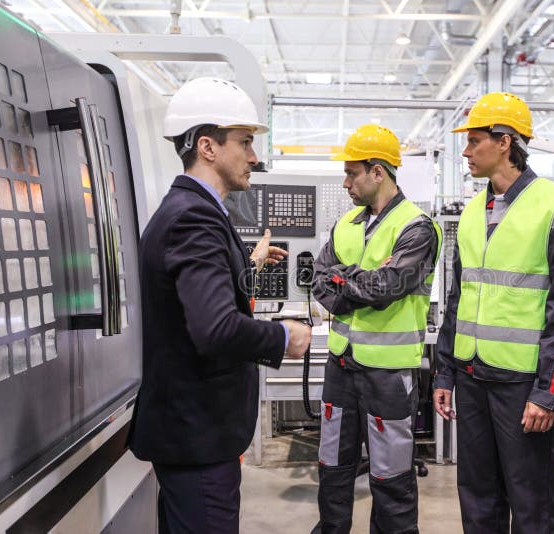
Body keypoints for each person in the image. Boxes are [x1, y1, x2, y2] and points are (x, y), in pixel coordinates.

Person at [128, 77, 312, 534]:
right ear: (208, 147)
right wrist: (286, 337)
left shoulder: (190, 210)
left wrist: (246, 266)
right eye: (245, 142)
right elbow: (216, 329)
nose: (254, 156)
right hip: (198, 436)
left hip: (190, 432)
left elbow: (196, 301)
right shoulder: (195, 217)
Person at [433, 92, 554, 533]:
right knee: (477, 498)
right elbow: (456, 300)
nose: (465, 152)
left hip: (522, 386)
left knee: (531, 503)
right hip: (471, 376)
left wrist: (547, 390)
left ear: (504, 142)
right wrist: (444, 372)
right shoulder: (468, 214)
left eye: (474, 141)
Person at [311, 124, 442, 533]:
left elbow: (386, 287)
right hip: (341, 368)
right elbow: (316, 279)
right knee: (332, 469)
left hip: (389, 373)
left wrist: (344, 280)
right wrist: (354, 283)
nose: (346, 182)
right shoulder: (346, 224)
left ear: (378, 171)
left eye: (352, 173)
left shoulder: (417, 228)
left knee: (391, 480)